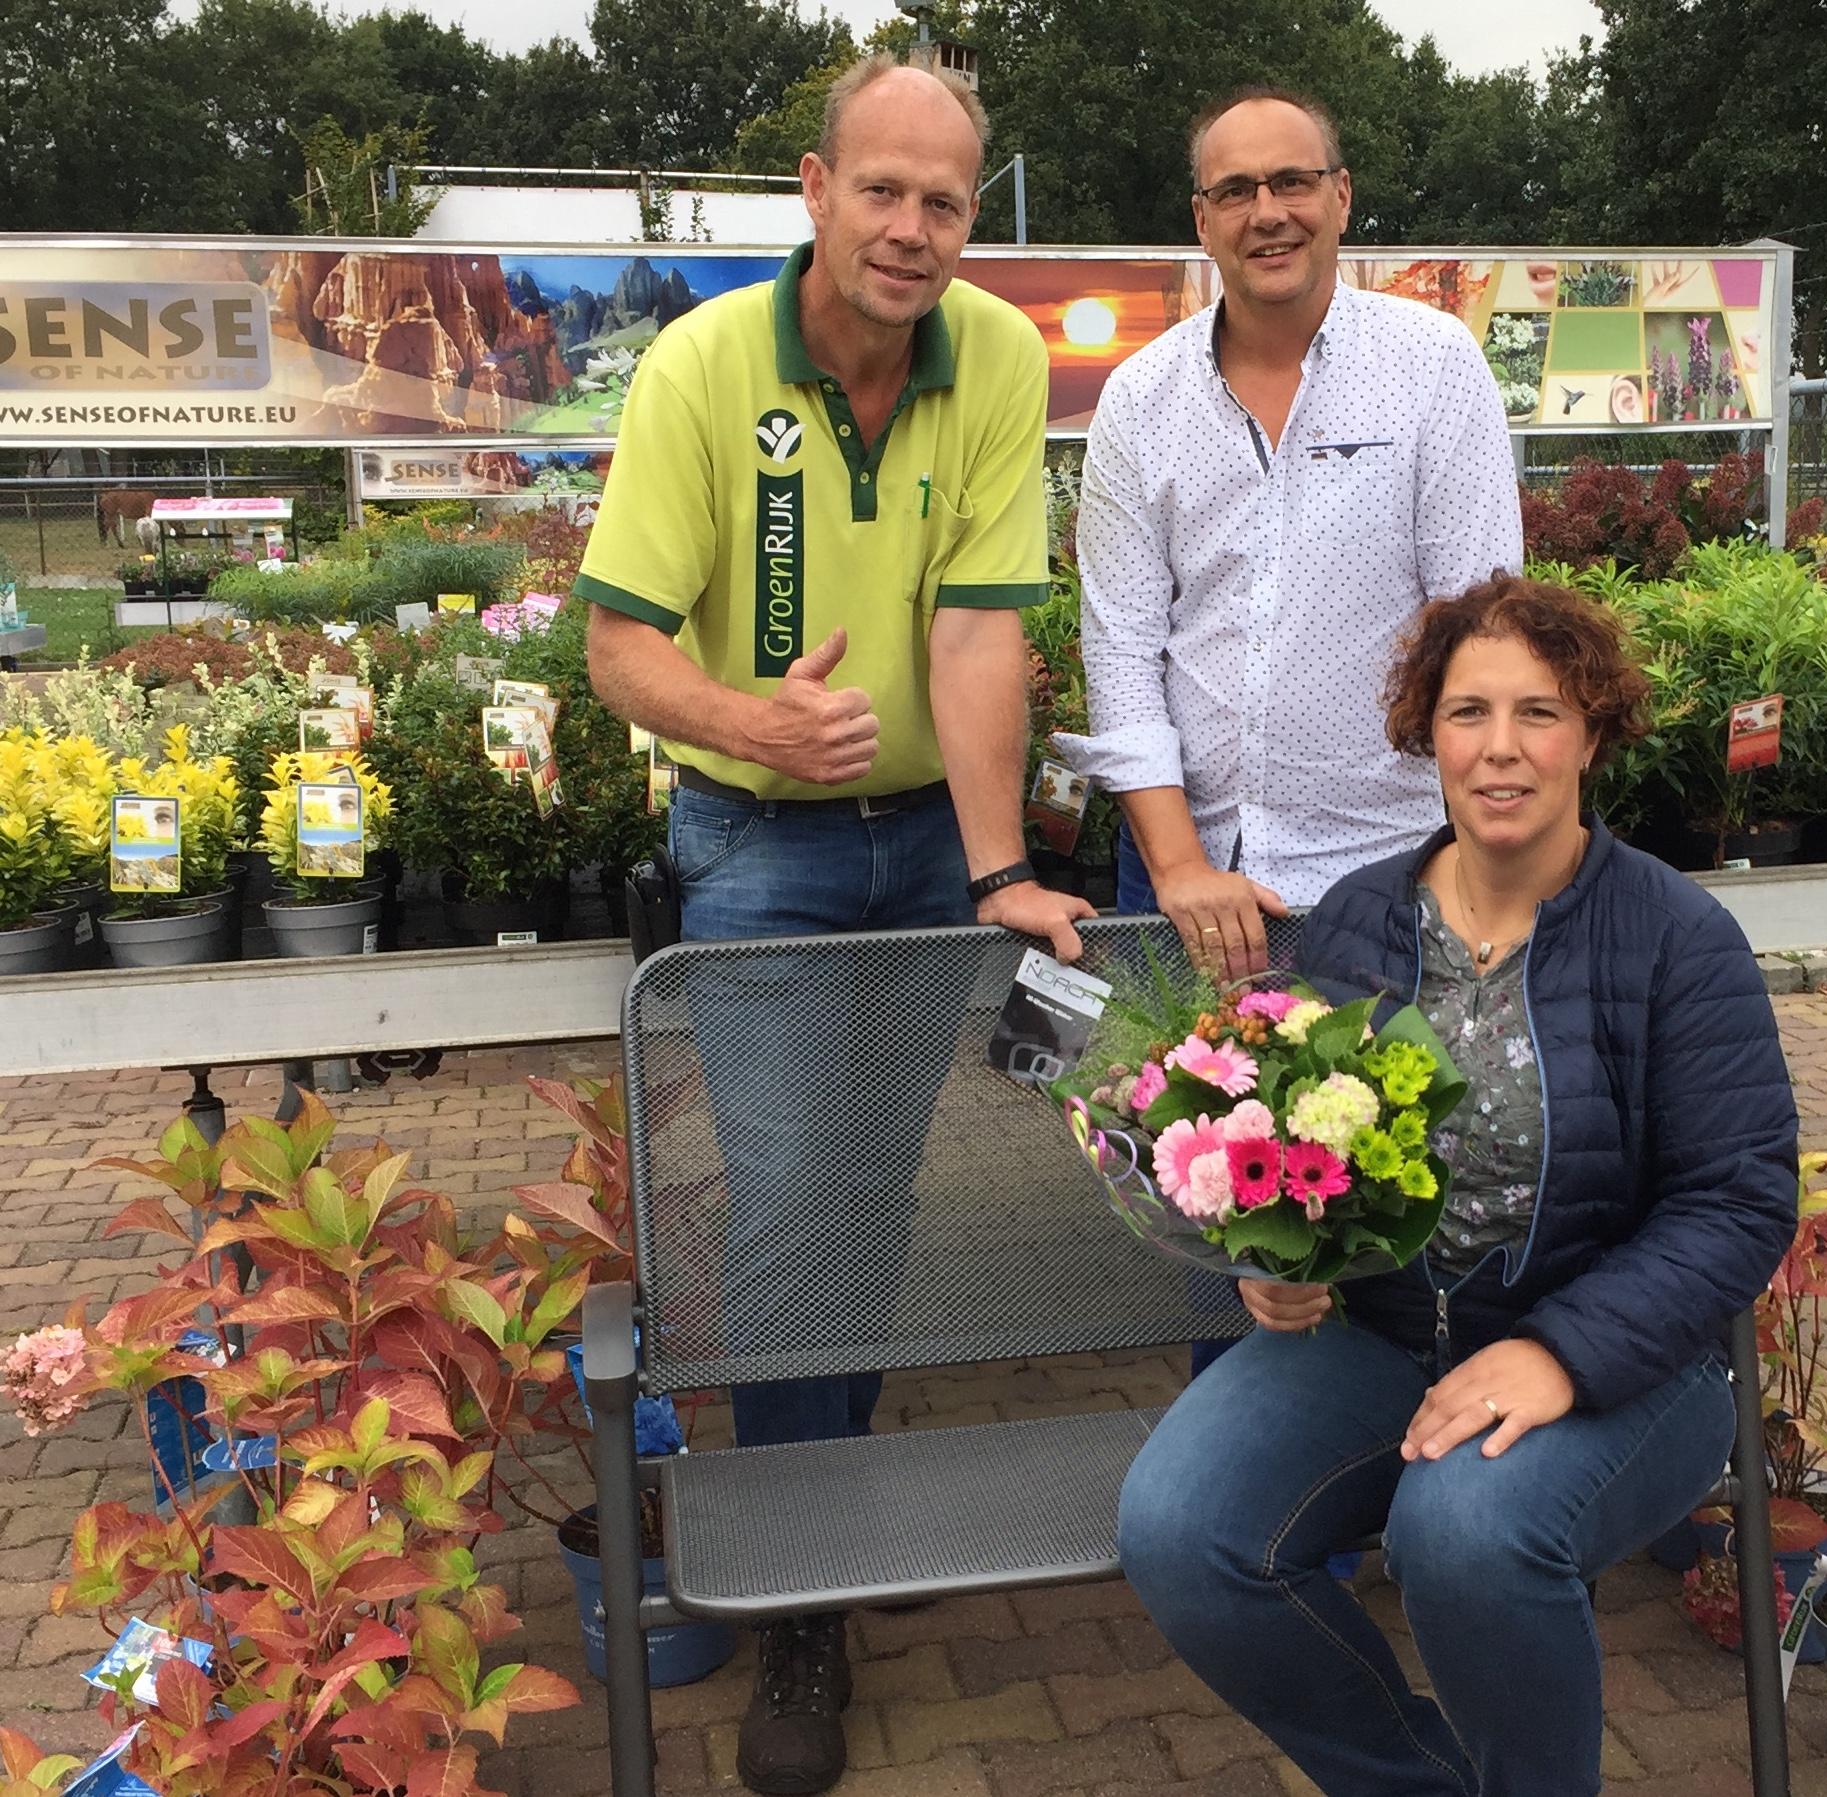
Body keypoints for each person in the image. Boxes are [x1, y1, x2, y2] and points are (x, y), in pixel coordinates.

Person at [575, 55, 1092, 1797]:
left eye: (945, 201)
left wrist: (1001, 863)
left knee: (873, 1188)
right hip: (764, 842)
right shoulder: (706, 367)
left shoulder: (998, 358)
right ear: (813, 188)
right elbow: (618, 644)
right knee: (795, 1195)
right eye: (882, 191)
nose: (913, 230)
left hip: (925, 853)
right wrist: (752, 721)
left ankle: (829, 1496)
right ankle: (802, 1587)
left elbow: (974, 636)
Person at [1115, 574, 1800, 1797]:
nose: (1500, 750)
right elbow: (1297, 1142)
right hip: (1384, 1333)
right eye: (1466, 713)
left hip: (1622, 1366)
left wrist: (1557, 1356)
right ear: (1424, 734)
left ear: (1591, 734)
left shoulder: (1674, 938)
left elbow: (1737, 1201)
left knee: (1464, 1536)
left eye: (1537, 714)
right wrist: (1273, 1260)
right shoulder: (1361, 919)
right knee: (1180, 1530)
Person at [1054, 84, 1523, 979]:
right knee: (1191, 1122)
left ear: (1340, 197)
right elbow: (1121, 652)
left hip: (1395, 874)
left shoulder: (1432, 368)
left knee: (1390, 1119)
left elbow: (1485, 636)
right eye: (1235, 191)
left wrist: (1483, 861)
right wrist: (1180, 867)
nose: (1267, 213)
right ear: (1202, 218)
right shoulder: (1141, 400)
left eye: (1292, 182)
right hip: (1191, 888)